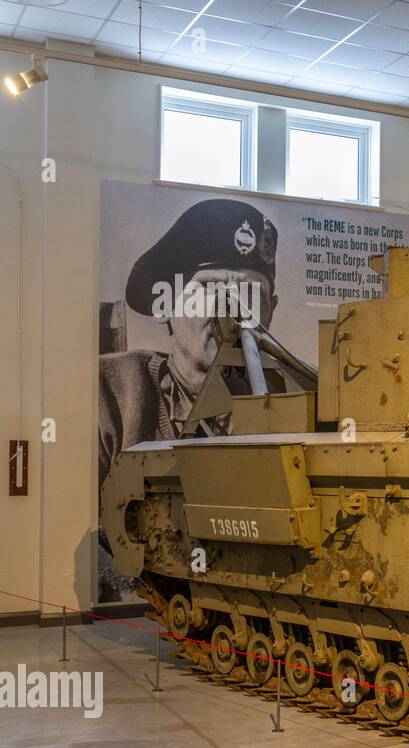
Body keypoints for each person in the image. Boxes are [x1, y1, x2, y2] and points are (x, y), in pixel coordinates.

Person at [97, 199, 278, 601]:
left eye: (250, 291)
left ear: (273, 308)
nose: (232, 310)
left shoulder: (297, 398)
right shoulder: (111, 393)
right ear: (168, 307)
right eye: (211, 289)